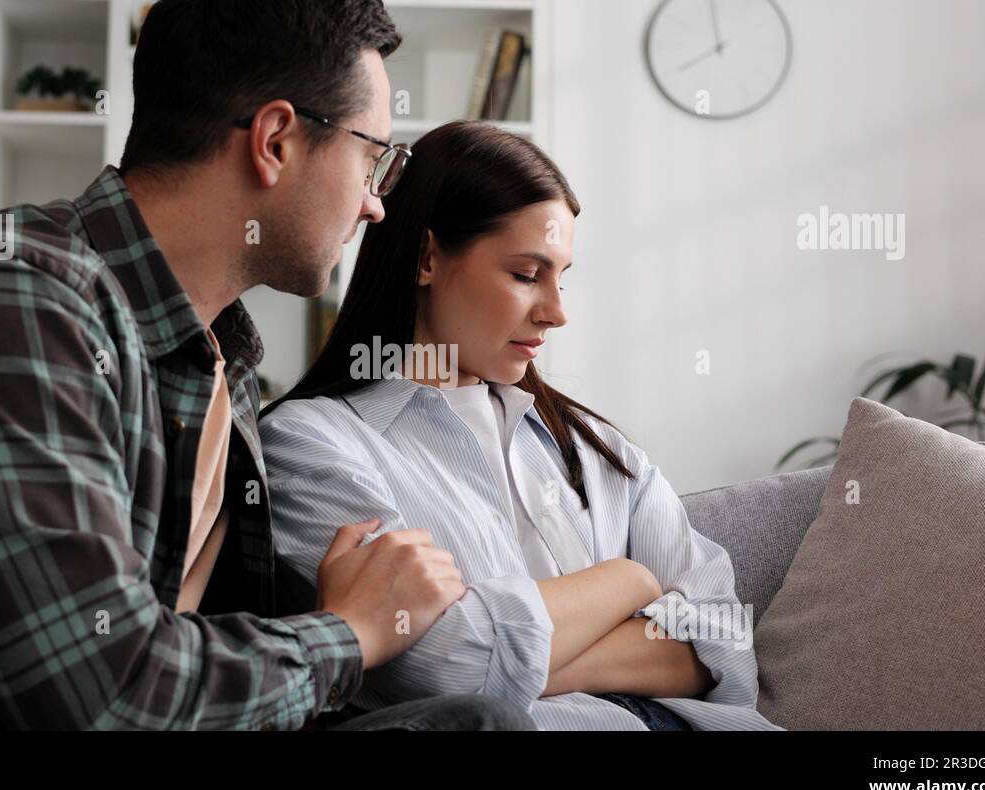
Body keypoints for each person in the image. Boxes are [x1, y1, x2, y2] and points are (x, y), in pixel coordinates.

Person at [0, 0, 535, 731]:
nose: (377, 205)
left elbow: (211, 640)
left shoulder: (217, 359)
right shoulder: (5, 298)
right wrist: (348, 632)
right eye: (376, 159)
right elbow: (98, 694)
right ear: (276, 142)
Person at [259, 121, 783, 730]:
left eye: (563, 277)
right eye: (526, 274)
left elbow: (727, 644)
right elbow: (438, 671)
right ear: (427, 258)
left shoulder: (597, 448)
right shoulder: (313, 442)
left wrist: (531, 664)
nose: (557, 312)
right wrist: (628, 581)